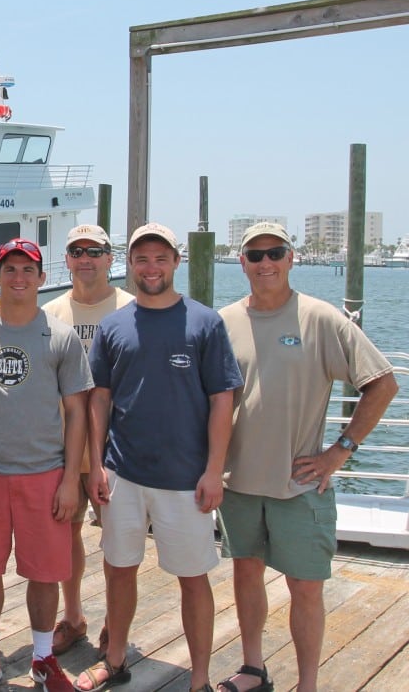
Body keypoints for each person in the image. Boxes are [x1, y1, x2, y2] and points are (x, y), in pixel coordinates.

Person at [215, 223, 397, 692]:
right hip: (237, 482)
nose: (266, 263)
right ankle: (253, 667)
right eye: (255, 256)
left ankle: (309, 683)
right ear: (243, 264)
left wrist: (341, 450)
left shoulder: (321, 318)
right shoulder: (224, 321)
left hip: (300, 483)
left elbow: (382, 382)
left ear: (291, 258)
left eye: (275, 253)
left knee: (306, 587)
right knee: (245, 575)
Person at [79, 223, 242, 692]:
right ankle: (114, 658)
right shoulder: (113, 326)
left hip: (186, 479)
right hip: (123, 474)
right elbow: (99, 400)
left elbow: (222, 400)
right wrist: (98, 465)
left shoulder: (205, 322)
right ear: (129, 265)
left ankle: (201, 678)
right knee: (118, 569)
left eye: (161, 258)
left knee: (193, 579)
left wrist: (214, 470)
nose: (151, 268)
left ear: (176, 262)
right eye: (142, 259)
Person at [0, 237, 92, 692]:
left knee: (45, 572)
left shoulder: (62, 337)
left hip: (45, 474)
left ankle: (44, 658)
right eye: (10, 269)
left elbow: (76, 412)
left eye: (28, 269)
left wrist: (71, 478)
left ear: (42, 278)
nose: (19, 277)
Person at [42, 225, 134, 656]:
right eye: (76, 251)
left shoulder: (132, 309)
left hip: (117, 449)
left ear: (109, 258)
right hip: (62, 448)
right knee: (66, 534)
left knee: (117, 542)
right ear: (67, 259)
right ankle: (74, 616)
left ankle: (116, 628)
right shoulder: (51, 312)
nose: (85, 258)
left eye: (94, 251)